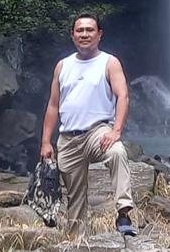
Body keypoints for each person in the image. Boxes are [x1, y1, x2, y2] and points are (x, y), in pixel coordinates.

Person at [41, 13, 137, 237]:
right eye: (80, 30)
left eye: (90, 30)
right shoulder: (62, 66)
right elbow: (53, 105)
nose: (84, 34)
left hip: (97, 131)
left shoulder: (109, 62)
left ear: (99, 34)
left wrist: (116, 130)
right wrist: (46, 141)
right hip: (68, 137)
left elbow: (123, 96)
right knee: (74, 196)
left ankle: (123, 212)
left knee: (116, 152)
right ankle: (76, 239)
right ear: (73, 35)